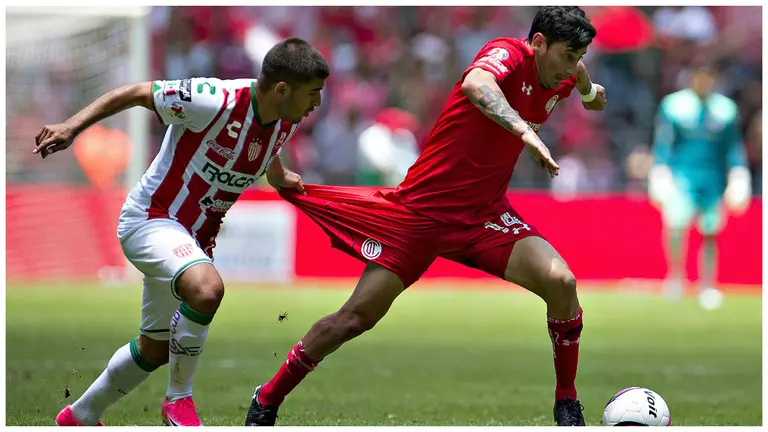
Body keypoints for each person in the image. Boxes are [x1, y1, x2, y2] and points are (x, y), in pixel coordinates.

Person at [245, 7, 605, 427]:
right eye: (567, 54)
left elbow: (590, 91)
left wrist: (587, 91)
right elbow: (477, 83)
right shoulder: (507, 53)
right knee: (354, 319)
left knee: (561, 282)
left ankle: (567, 403)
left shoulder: (566, 72)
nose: (573, 62)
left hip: (484, 215)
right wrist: (525, 132)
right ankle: (267, 398)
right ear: (539, 43)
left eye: (579, 54)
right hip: (421, 214)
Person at [35, 37, 328, 426]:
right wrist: (71, 127)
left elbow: (265, 144)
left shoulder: (286, 120)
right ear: (281, 89)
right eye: (314, 93)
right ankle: (178, 401)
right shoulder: (214, 100)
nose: (318, 104)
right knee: (207, 289)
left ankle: (81, 415)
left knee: (154, 350)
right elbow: (139, 92)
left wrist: (278, 176)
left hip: (191, 240)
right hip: (152, 218)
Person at [648, 65, 751, 309]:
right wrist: (660, 171)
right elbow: (664, 142)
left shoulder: (725, 110)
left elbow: (733, 146)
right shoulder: (674, 106)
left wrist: (738, 174)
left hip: (713, 179)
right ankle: (675, 277)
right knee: (676, 226)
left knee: (710, 231)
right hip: (682, 176)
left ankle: (707, 283)